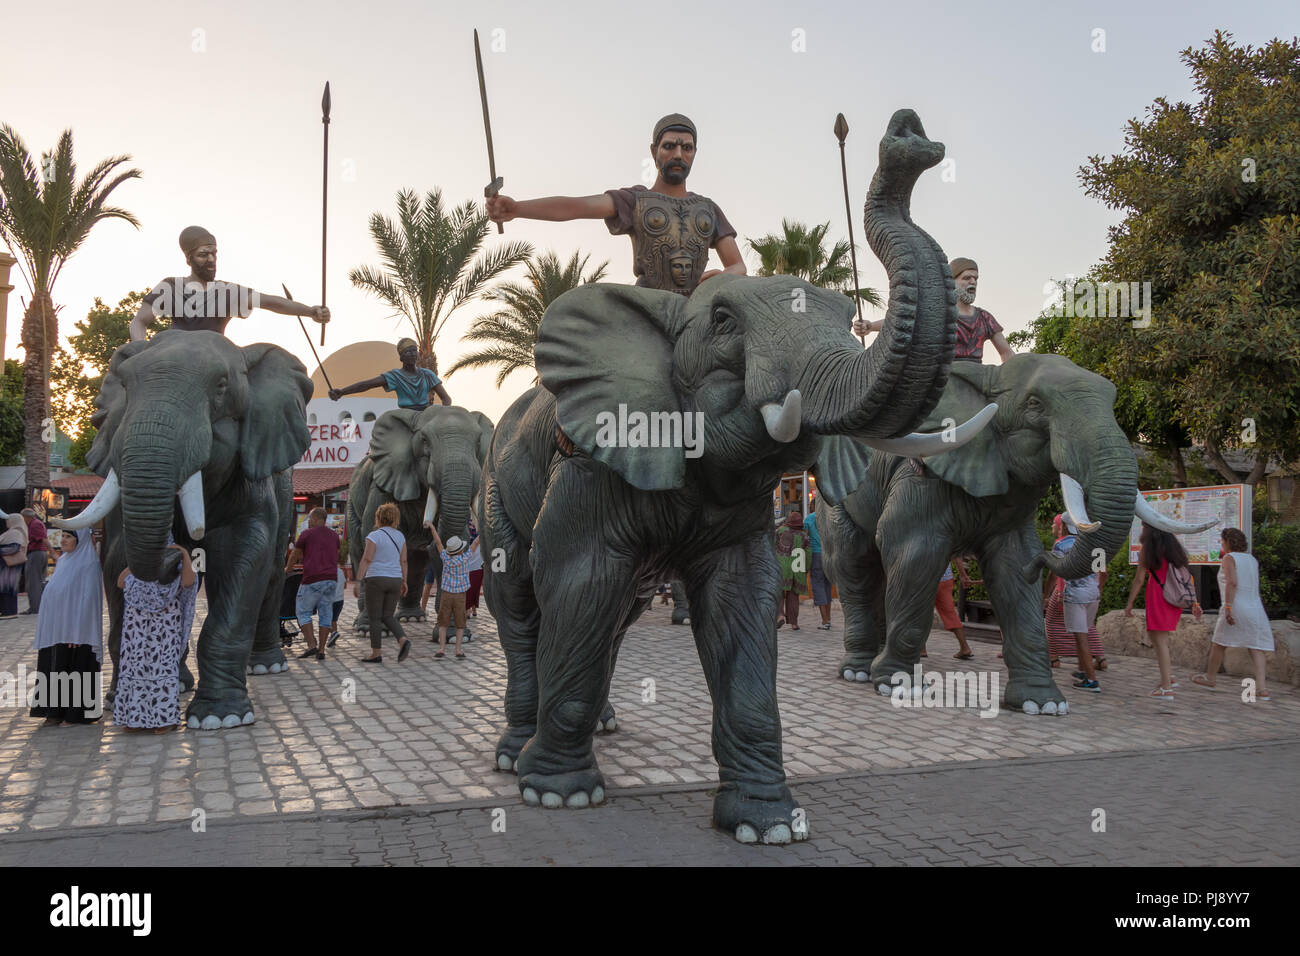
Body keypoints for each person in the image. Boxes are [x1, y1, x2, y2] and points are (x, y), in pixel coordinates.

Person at [486, 113, 745, 296]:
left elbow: (738, 265)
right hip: (647, 305)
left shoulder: (708, 209)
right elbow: (576, 207)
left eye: (686, 148)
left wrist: (724, 277)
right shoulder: (634, 200)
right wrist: (518, 208)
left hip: (699, 310)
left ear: (694, 153)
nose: (678, 154)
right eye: (669, 146)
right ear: (654, 151)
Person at [130, 225, 329, 340]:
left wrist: (310, 311)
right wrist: (140, 350)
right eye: (203, 255)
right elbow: (139, 321)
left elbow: (271, 302)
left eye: (214, 254)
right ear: (188, 258)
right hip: (176, 354)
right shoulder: (170, 287)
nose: (211, 259)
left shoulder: (227, 292)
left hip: (217, 355)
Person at [854, 257, 1014, 363]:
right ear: (952, 282)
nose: (973, 282)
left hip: (979, 378)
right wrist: (870, 326)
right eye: (966, 278)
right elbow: (902, 321)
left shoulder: (984, 318)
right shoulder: (938, 312)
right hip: (946, 378)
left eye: (975, 278)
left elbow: (1006, 353)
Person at [114, 543, 198, 733]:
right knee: (136, 668)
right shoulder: (141, 565)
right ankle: (136, 718)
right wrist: (139, 562)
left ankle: (165, 719)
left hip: (164, 627)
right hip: (137, 628)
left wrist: (183, 554)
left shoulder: (174, 560)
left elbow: (188, 582)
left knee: (162, 670)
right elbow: (120, 582)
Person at [30, 526, 103, 725]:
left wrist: (78, 632)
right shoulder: (64, 561)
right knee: (54, 666)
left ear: (81, 541)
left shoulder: (89, 564)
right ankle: (53, 712)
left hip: (76, 632)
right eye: (62, 536)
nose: (63, 540)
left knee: (74, 669)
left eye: (68, 536)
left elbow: (88, 601)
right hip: (57, 628)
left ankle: (75, 716)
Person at [1191, 528, 1274, 701]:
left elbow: (1232, 582)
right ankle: (1262, 688)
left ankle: (1210, 677)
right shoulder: (1251, 559)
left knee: (1219, 643)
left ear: (1228, 542)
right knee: (1255, 646)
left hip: (1236, 605)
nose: (1221, 543)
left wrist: (1228, 607)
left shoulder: (1229, 558)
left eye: (1222, 540)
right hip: (1255, 608)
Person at [1125, 522, 1202, 698]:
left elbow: (1139, 579)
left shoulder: (1148, 551)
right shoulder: (1174, 551)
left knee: (1160, 643)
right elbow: (1186, 578)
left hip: (1158, 596)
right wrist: (1195, 602)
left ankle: (1167, 688)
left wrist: (1130, 603)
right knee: (1162, 641)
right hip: (1174, 597)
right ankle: (1169, 677)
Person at [1044, 516, 1108, 691]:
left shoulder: (1062, 544)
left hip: (1074, 595)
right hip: (1093, 594)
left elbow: (1054, 572)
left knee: (1081, 638)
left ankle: (1092, 680)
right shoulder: (1096, 543)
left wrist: (1045, 594)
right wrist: (1097, 589)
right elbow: (1103, 572)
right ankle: (1084, 670)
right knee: (1084, 633)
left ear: (1064, 525)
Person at [353, 502, 411, 664]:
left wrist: (358, 580)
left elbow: (367, 558)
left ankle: (376, 653)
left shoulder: (374, 536)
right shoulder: (400, 537)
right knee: (387, 615)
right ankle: (402, 640)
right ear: (395, 519)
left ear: (378, 518)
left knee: (374, 618)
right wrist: (404, 580)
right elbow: (404, 560)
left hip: (376, 579)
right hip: (395, 580)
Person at [328, 337, 452, 411]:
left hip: (426, 414)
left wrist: (443, 413)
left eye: (414, 351)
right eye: (408, 352)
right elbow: (367, 385)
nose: (412, 354)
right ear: (401, 357)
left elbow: (446, 398)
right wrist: (342, 392)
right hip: (404, 416)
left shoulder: (427, 374)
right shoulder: (395, 376)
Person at [284, 507, 340, 661]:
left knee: (302, 611)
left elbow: (295, 553)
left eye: (310, 518)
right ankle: (321, 650)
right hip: (331, 580)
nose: (308, 521)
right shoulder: (334, 536)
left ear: (316, 519)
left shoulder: (306, 534)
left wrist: (288, 569)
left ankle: (311, 645)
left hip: (313, 579)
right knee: (326, 614)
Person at [425, 521, 471, 659]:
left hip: (446, 595)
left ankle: (442, 648)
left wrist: (433, 527)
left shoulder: (445, 558)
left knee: (443, 623)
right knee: (460, 624)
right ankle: (458, 650)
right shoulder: (465, 558)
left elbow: (438, 543)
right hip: (460, 596)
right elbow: (474, 545)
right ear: (461, 550)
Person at [930, 558, 975, 659]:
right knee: (950, 614)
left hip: (927, 579)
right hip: (945, 579)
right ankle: (965, 647)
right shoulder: (948, 541)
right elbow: (956, 555)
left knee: (921, 613)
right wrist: (963, 575)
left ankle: (921, 649)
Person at [774, 511, 807, 630]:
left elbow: (772, 546)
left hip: (782, 565)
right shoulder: (804, 536)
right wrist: (806, 568)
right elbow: (808, 554)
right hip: (797, 567)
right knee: (794, 595)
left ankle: (779, 615)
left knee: (779, 593)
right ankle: (794, 623)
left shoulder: (780, 531)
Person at [803, 502, 832, 630]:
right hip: (829, 553)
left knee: (818, 585)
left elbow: (805, 537)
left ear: (812, 506)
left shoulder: (809, 519)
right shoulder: (829, 516)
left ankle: (824, 620)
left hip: (816, 554)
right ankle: (829, 618)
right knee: (827, 585)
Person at [0, 513, 29, 618]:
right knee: (6, 587)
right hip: (8, 565)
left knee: (7, 586)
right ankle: (6, 611)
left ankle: (9, 612)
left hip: (9, 566)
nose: (7, 522)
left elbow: (14, 548)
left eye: (8, 520)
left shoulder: (15, 533)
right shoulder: (14, 532)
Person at [22, 508, 48, 614]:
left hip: (36, 553)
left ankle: (35, 607)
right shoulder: (35, 524)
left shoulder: (35, 524)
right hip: (39, 553)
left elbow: (43, 538)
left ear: (26, 517)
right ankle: (39, 606)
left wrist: (52, 552)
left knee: (33, 582)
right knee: (39, 581)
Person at [464, 519, 484, 620]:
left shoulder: (479, 521)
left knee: (475, 586)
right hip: (468, 557)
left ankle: (473, 608)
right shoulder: (465, 523)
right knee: (469, 586)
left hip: (478, 560)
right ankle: (468, 608)